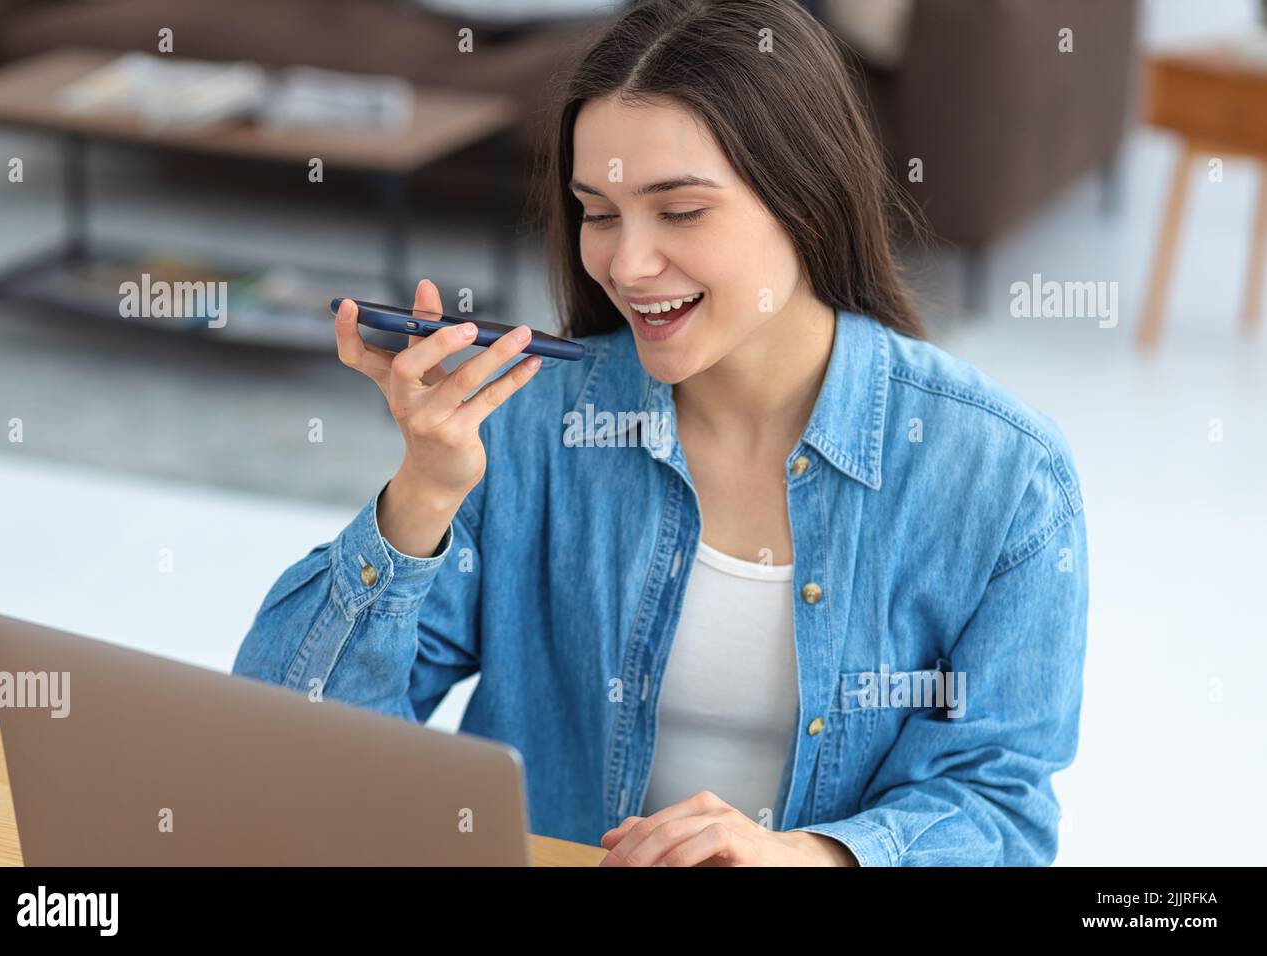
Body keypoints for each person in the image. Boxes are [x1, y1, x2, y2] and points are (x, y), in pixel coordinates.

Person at [233, 0, 1088, 866]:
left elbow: (1001, 811)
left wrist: (816, 857)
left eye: (678, 212)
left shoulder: (1003, 477)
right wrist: (422, 493)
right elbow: (292, 741)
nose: (626, 266)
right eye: (597, 213)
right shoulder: (531, 426)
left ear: (809, 201)